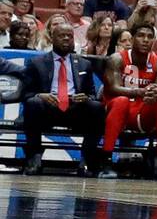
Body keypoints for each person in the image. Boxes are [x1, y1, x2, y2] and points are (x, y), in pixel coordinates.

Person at [19, 23, 105, 176]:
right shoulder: (37, 63)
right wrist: (41, 95)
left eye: (69, 36)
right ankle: (34, 157)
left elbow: (91, 94)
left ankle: (87, 159)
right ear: (52, 38)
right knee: (33, 103)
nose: (66, 38)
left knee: (96, 107)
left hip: (75, 109)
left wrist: (85, 98)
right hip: (48, 108)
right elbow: (26, 94)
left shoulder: (84, 64)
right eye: (61, 35)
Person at [99, 23, 157, 180]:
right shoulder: (116, 59)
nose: (145, 40)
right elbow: (113, 88)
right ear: (132, 39)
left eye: (149, 37)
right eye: (141, 36)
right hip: (117, 111)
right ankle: (106, 162)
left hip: (142, 113)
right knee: (121, 101)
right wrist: (140, 91)